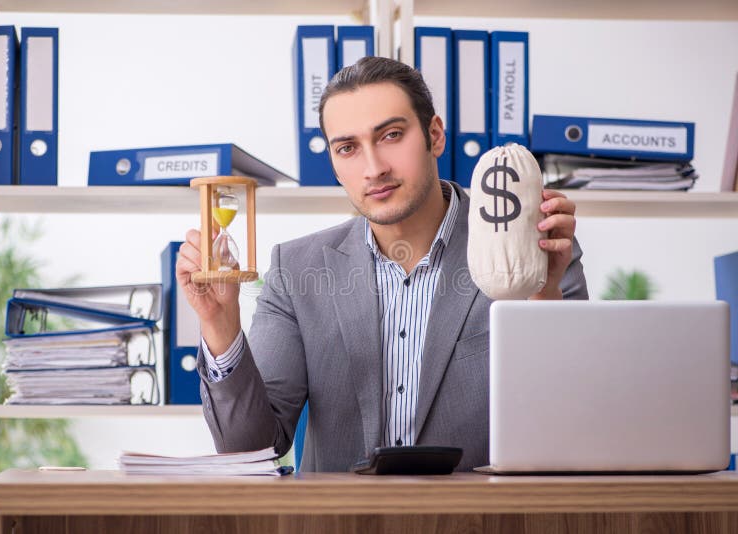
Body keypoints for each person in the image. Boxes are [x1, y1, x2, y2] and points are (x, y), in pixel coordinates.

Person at [176, 56, 588, 472]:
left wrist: (543, 296)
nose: (374, 169)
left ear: (435, 136)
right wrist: (220, 325)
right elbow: (252, 450)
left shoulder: (531, 245)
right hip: (343, 511)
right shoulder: (296, 269)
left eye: (391, 135)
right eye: (348, 148)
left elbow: (569, 427)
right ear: (334, 164)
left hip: (479, 508)